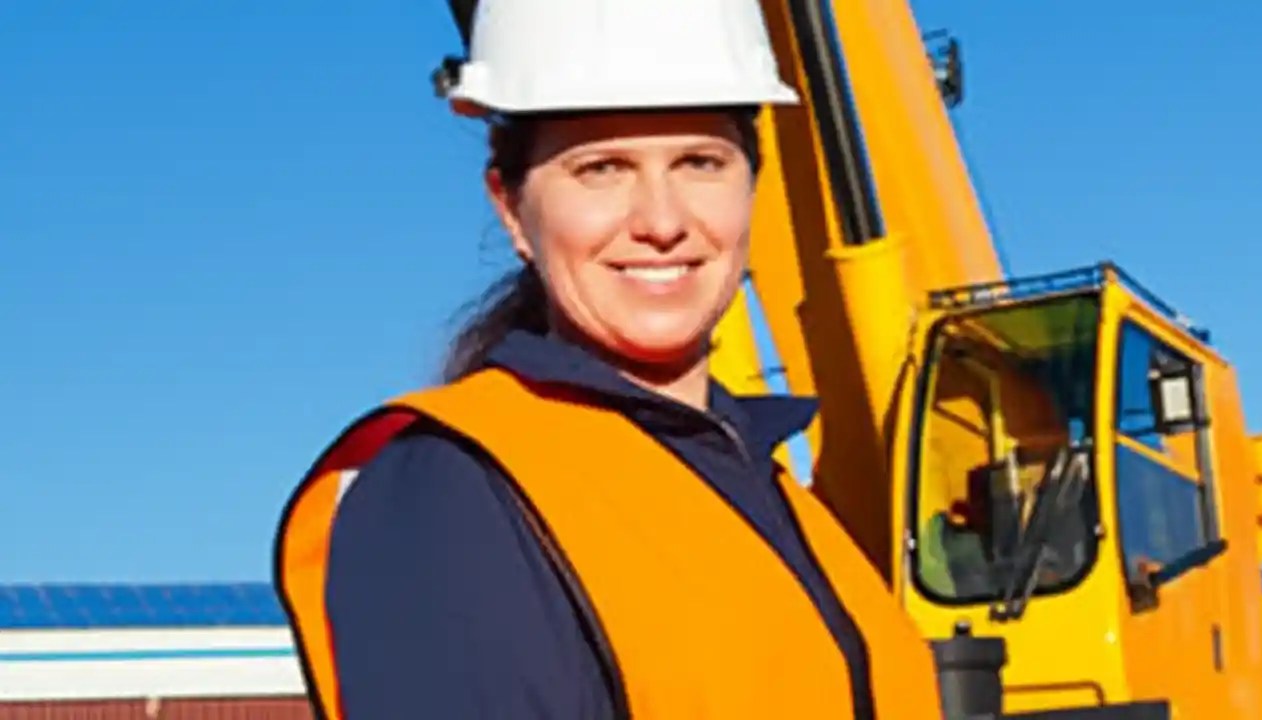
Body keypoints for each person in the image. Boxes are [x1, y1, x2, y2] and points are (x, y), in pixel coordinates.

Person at [273, 0, 944, 718]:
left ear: (753, 183)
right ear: (511, 209)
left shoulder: (782, 502)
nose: (662, 221)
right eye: (602, 169)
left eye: (700, 163)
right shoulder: (458, 491)